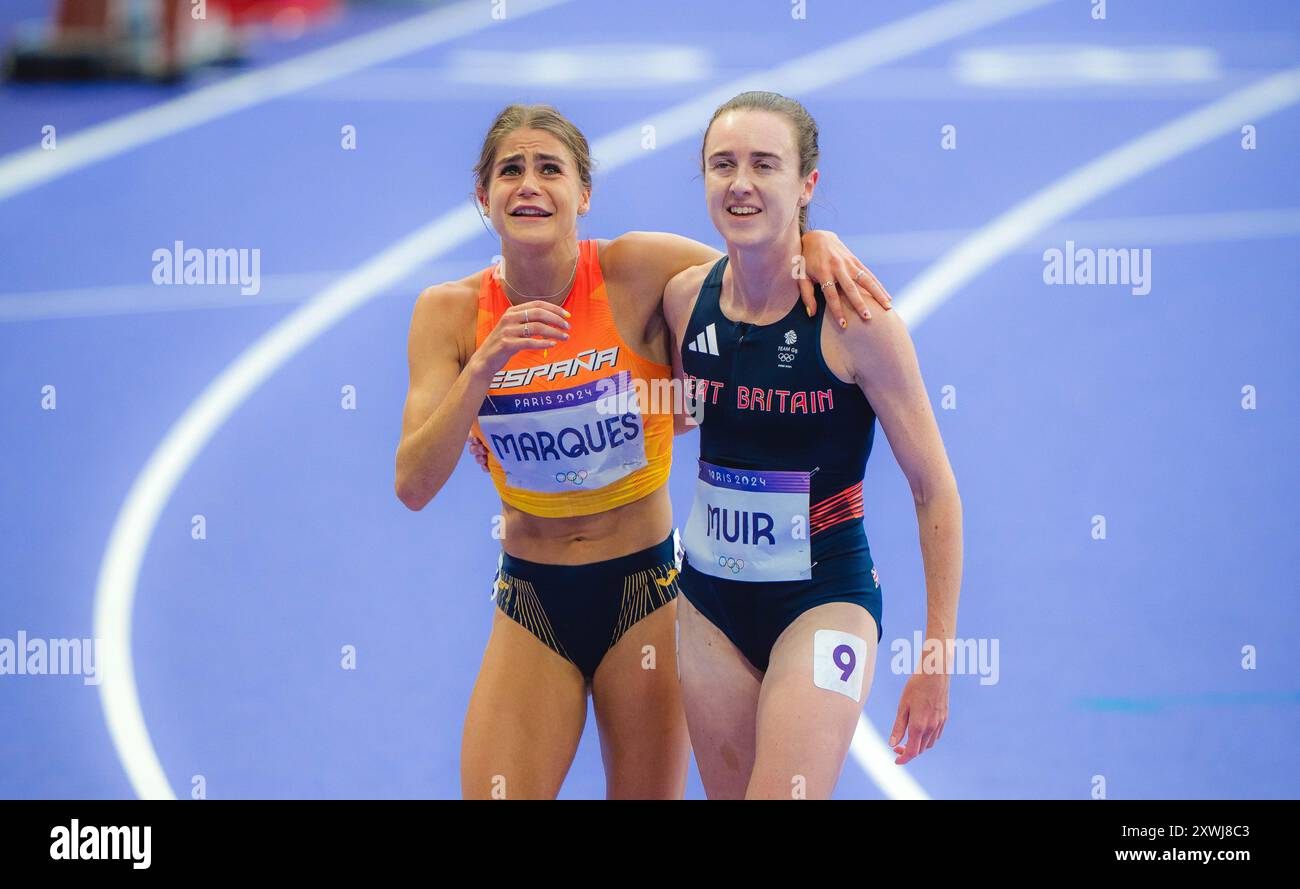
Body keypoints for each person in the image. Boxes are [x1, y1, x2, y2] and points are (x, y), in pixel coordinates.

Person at [396, 103, 890, 799]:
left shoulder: (636, 269)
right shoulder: (447, 314)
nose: (529, 185)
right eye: (510, 170)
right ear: (483, 197)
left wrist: (817, 240)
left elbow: (759, 269)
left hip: (646, 594)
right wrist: (483, 370)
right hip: (532, 600)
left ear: (584, 194)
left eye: (550, 169)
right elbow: (414, 483)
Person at [662, 91, 963, 799]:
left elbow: (933, 487)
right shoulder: (683, 298)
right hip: (708, 604)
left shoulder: (857, 320)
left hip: (824, 600)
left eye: (765, 164)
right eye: (722, 164)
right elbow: (670, 410)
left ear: (807, 184)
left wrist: (938, 654)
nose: (740, 182)